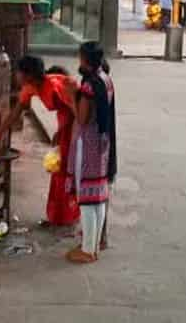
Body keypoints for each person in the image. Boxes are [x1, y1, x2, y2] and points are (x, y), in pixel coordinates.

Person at [0, 56, 79, 228]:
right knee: (58, 171)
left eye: (18, 72)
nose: (16, 75)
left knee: (66, 171)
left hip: (77, 124)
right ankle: (58, 216)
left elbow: (76, 111)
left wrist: (65, 131)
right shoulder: (30, 87)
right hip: (64, 122)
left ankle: (70, 216)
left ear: (29, 75)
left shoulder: (56, 86)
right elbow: (15, 113)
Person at [69, 41, 117, 264]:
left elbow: (82, 118)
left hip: (88, 145)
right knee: (98, 197)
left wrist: (72, 95)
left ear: (85, 60)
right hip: (102, 145)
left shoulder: (89, 86)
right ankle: (94, 245)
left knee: (87, 199)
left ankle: (88, 250)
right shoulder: (106, 79)